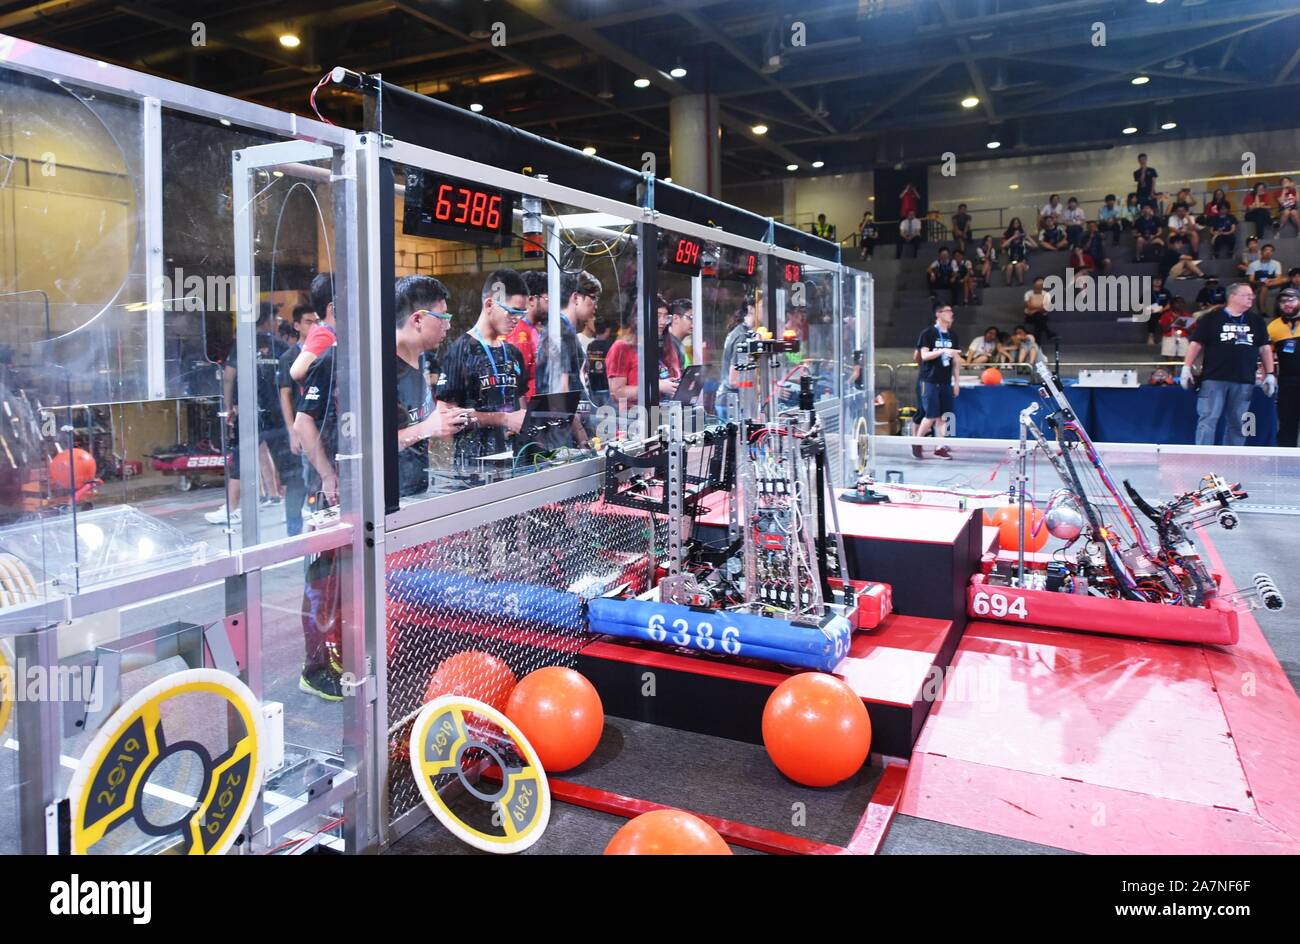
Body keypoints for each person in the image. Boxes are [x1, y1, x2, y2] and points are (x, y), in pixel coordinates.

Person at [205, 302, 293, 527]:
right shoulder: (281, 346)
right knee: (285, 460)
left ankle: (232, 509)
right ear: (267, 320)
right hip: (275, 413)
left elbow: (228, 377)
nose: (277, 323)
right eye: (275, 318)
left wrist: (228, 407)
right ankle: (291, 507)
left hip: (250, 411)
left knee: (241, 460)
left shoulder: (243, 345)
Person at [436, 269, 529, 467]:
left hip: (514, 463)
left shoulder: (513, 354)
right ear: (489, 305)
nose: (517, 319)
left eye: (522, 314)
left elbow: (521, 409)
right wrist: (503, 419)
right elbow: (445, 416)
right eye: (512, 312)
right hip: (473, 468)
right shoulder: (460, 351)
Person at [393, 275, 469, 497]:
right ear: (418, 319)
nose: (448, 325)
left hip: (416, 488)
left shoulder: (421, 358)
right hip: (390, 499)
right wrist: (429, 427)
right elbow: (372, 449)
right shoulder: (381, 371)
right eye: (443, 317)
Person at [1182, 282, 1275, 447]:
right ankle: (1203, 455)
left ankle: (1234, 456)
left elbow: (1265, 348)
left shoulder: (1256, 321)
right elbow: (1196, 344)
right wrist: (1186, 367)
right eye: (1246, 295)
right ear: (1233, 296)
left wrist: (1270, 374)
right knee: (1208, 419)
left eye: (1252, 295)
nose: (1251, 298)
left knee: (1239, 422)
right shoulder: (1210, 318)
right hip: (1214, 377)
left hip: (1244, 379)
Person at [537, 269, 600, 397]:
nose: (596, 306)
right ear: (576, 298)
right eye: (593, 298)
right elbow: (560, 386)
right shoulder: (561, 332)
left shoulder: (562, 329)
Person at [913, 304, 960, 460]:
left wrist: (957, 382)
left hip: (945, 381)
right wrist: (942, 351)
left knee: (944, 416)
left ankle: (939, 447)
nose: (951, 314)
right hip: (929, 380)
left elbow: (955, 360)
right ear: (939, 314)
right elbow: (924, 356)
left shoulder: (953, 335)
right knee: (931, 415)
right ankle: (917, 442)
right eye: (948, 311)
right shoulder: (928, 333)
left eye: (951, 311)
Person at [507, 269, 548, 399]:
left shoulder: (533, 329)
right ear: (531, 300)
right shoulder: (520, 332)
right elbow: (516, 381)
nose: (551, 306)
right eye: (547, 299)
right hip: (530, 406)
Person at [1268, 287, 1300, 447]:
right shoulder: (1273, 327)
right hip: (1288, 381)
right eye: (1283, 301)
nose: (1287, 304)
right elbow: (1266, 353)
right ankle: (1286, 459)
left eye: (1291, 300)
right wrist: (1269, 374)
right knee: (1287, 423)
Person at [719, 302, 754, 417]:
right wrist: (757, 386)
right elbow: (734, 380)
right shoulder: (743, 337)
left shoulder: (743, 332)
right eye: (763, 306)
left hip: (732, 401)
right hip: (732, 405)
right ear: (751, 309)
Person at [661, 298, 693, 379]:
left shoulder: (678, 344)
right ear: (675, 318)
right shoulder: (667, 345)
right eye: (691, 317)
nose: (694, 322)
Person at [1247, 243, 1285, 309]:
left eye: (1271, 251)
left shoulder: (1276, 263)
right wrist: (1259, 282)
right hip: (1259, 284)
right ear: (1261, 252)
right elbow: (1251, 280)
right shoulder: (1253, 265)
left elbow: (1278, 277)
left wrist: (1269, 280)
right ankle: (1263, 311)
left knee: (1285, 279)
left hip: (1272, 283)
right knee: (1264, 287)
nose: (1268, 252)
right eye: (1266, 250)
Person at [1159, 297, 1196, 361]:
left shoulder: (1188, 315)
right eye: (1177, 302)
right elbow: (1164, 329)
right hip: (1169, 337)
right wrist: (1174, 322)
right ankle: (1172, 368)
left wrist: (1185, 327)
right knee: (1170, 359)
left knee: (1185, 358)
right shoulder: (1166, 315)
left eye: (1182, 302)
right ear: (1172, 304)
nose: (1180, 304)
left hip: (1183, 337)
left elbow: (1192, 332)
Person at [1023, 277, 1057, 343]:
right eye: (1038, 284)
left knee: (1038, 317)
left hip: (1042, 315)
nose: (1039, 286)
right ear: (1034, 284)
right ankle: (1048, 333)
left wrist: (1035, 309)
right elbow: (1028, 306)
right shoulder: (1028, 294)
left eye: (1041, 284)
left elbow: (1046, 308)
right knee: (1038, 318)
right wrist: (1039, 307)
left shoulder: (1046, 294)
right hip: (1030, 315)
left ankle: (1037, 340)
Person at [1001, 218, 1031, 285]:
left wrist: (1028, 237)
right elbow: (1003, 246)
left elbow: (1035, 246)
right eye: (1015, 233)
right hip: (1012, 261)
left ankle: (1021, 283)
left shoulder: (1023, 242)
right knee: (1009, 266)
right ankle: (1008, 284)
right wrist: (1013, 237)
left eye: (1018, 233)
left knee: (1018, 265)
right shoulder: (1010, 242)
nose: (1016, 234)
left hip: (1021, 262)